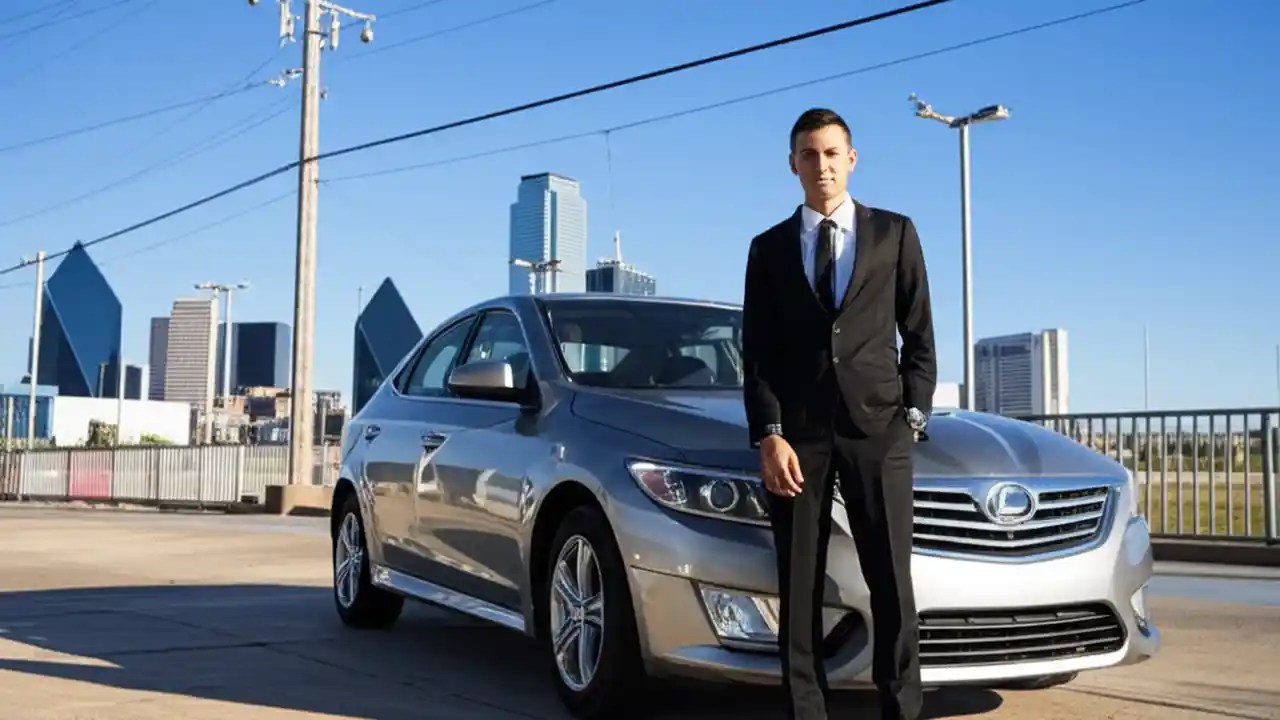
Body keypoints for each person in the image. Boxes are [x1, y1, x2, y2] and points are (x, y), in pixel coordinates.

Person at [741, 107, 937, 720]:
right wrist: (769, 436)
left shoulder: (895, 234)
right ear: (792, 164)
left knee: (893, 584)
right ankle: (806, 710)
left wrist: (911, 417)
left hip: (879, 430)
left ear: (851, 159)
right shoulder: (768, 248)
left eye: (831, 153)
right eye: (808, 154)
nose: (820, 165)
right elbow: (759, 354)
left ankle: (900, 707)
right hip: (798, 438)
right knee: (799, 584)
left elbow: (920, 336)